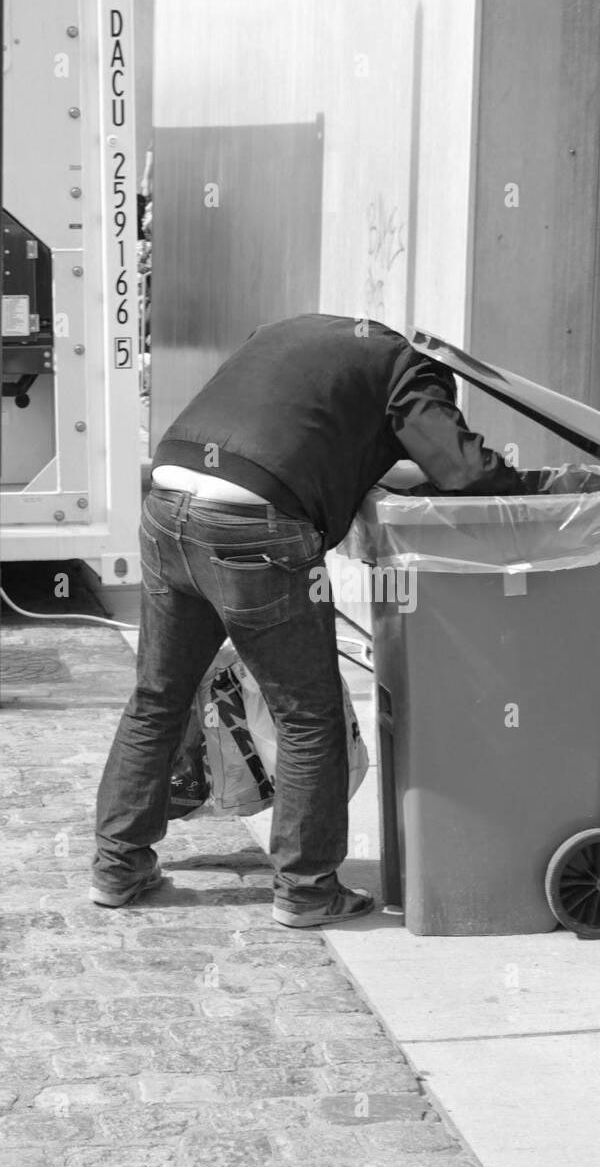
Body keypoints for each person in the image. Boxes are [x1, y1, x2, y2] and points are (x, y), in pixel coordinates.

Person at [89, 313, 524, 926]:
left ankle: (117, 867)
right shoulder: (408, 367)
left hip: (168, 502)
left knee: (157, 695)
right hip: (255, 528)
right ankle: (307, 890)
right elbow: (464, 471)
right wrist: (523, 484)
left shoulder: (286, 334)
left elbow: (299, 435)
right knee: (307, 714)